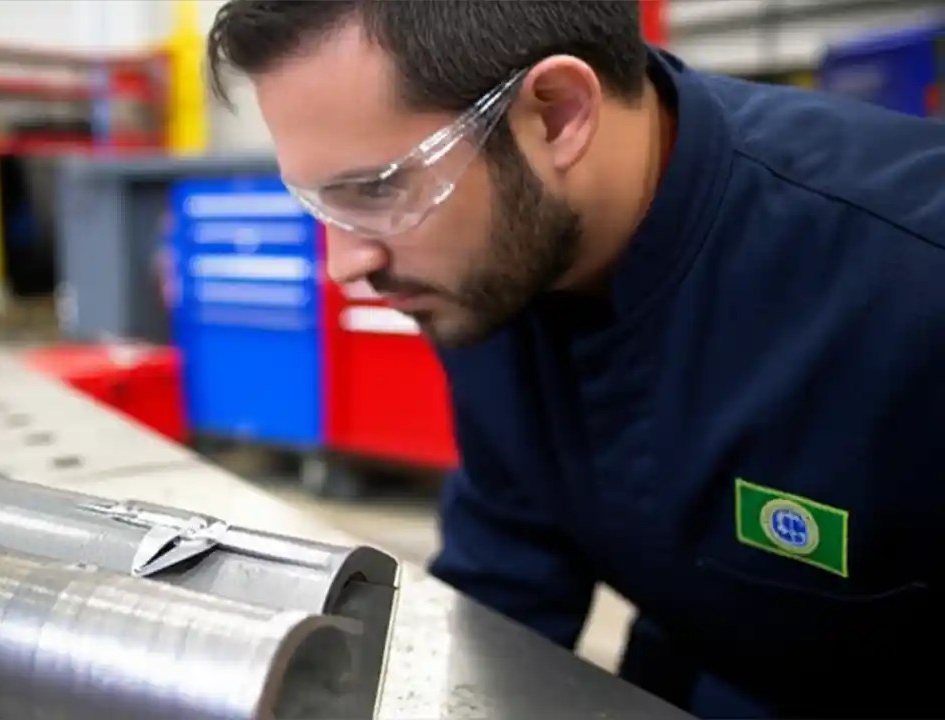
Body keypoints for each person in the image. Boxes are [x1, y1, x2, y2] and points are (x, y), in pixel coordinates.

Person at [206, 1, 945, 718]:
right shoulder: (496, 269)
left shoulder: (907, 283)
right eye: (323, 204)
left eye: (377, 188)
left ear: (558, 114)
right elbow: (507, 585)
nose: (347, 264)